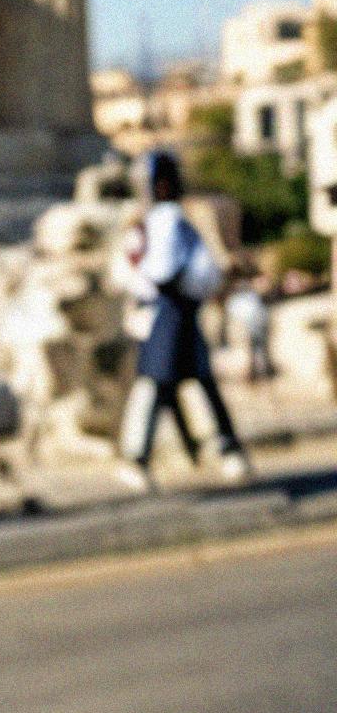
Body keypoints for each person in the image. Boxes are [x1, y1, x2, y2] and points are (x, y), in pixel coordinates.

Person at [117, 149, 252, 488]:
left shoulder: (162, 219)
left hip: (174, 311)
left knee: (175, 385)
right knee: (162, 386)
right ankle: (143, 458)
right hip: (171, 312)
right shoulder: (166, 219)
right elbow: (167, 270)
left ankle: (220, 450)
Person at [225, 263, 272, 384]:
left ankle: (258, 371)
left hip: (250, 316)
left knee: (255, 347)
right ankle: (256, 372)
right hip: (250, 317)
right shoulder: (243, 291)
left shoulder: (238, 292)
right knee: (253, 347)